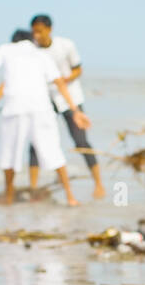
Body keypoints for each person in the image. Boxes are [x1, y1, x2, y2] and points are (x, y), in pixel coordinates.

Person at [0, 29, 89, 206]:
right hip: (42, 109)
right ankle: (70, 197)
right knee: (54, 152)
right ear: (32, 40)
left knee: (9, 155)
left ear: (13, 41)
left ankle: (8, 198)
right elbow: (59, 83)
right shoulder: (41, 55)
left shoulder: (6, 49)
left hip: (14, 108)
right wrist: (75, 110)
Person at [27, 14, 107, 199]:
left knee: (80, 141)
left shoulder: (66, 45)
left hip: (70, 98)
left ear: (49, 29)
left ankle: (99, 184)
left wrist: (63, 80)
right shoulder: (32, 50)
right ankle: (33, 188)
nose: (36, 35)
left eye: (40, 31)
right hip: (45, 101)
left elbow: (78, 69)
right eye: (34, 31)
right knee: (36, 143)